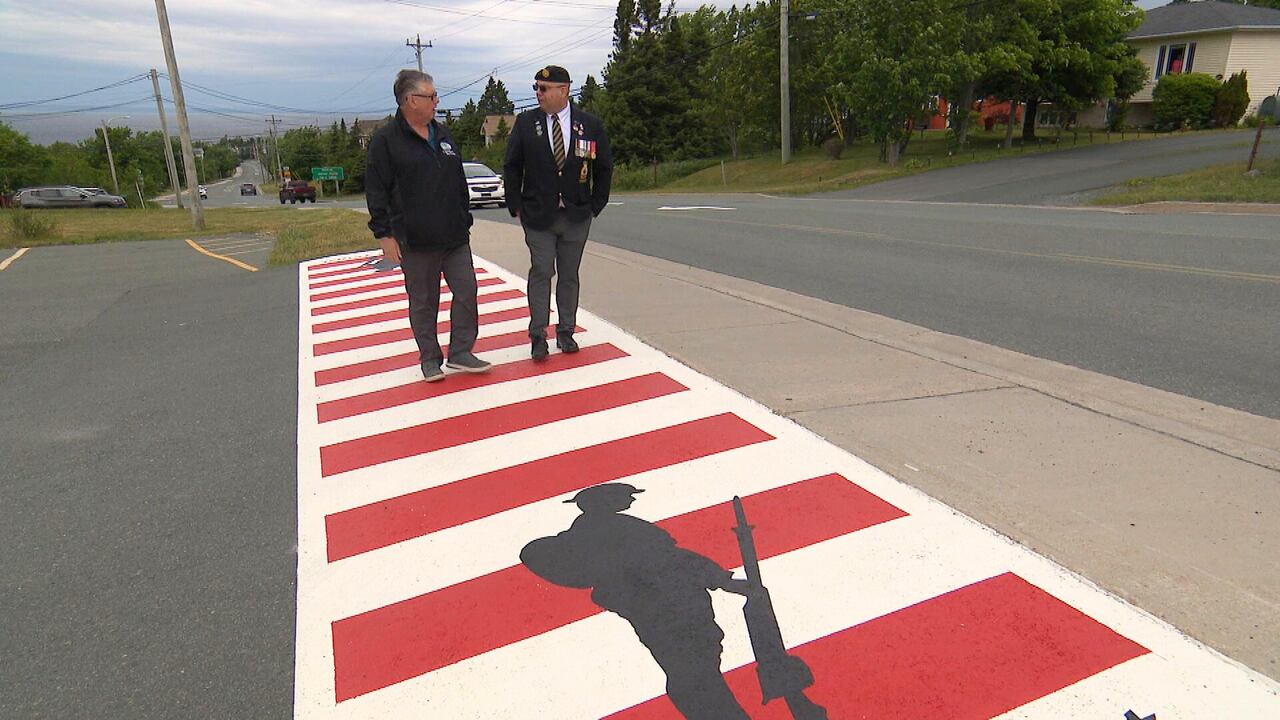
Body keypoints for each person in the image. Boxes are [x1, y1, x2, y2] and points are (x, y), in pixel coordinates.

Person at [521, 484, 751, 720]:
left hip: (664, 605)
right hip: (669, 607)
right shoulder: (613, 529)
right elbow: (671, 559)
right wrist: (722, 580)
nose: (630, 498)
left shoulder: (604, 529)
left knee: (693, 673)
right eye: (625, 495)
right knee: (696, 675)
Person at [366, 69, 491, 382]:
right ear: (410, 100)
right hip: (415, 239)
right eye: (431, 96)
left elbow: (458, 181)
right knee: (424, 302)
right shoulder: (386, 141)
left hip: (454, 235)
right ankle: (430, 359)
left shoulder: (443, 134)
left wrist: (465, 218)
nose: (437, 101)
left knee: (467, 291)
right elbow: (376, 190)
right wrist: (384, 234)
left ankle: (461, 352)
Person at [503, 65, 613, 361]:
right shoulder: (527, 123)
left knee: (569, 274)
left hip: (577, 214)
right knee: (541, 271)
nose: (538, 93)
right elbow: (512, 166)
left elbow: (604, 167)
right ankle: (538, 334)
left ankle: (566, 331)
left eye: (543, 88)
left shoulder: (589, 125)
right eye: (536, 88)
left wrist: (595, 205)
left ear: (563, 90)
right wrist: (515, 204)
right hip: (538, 215)